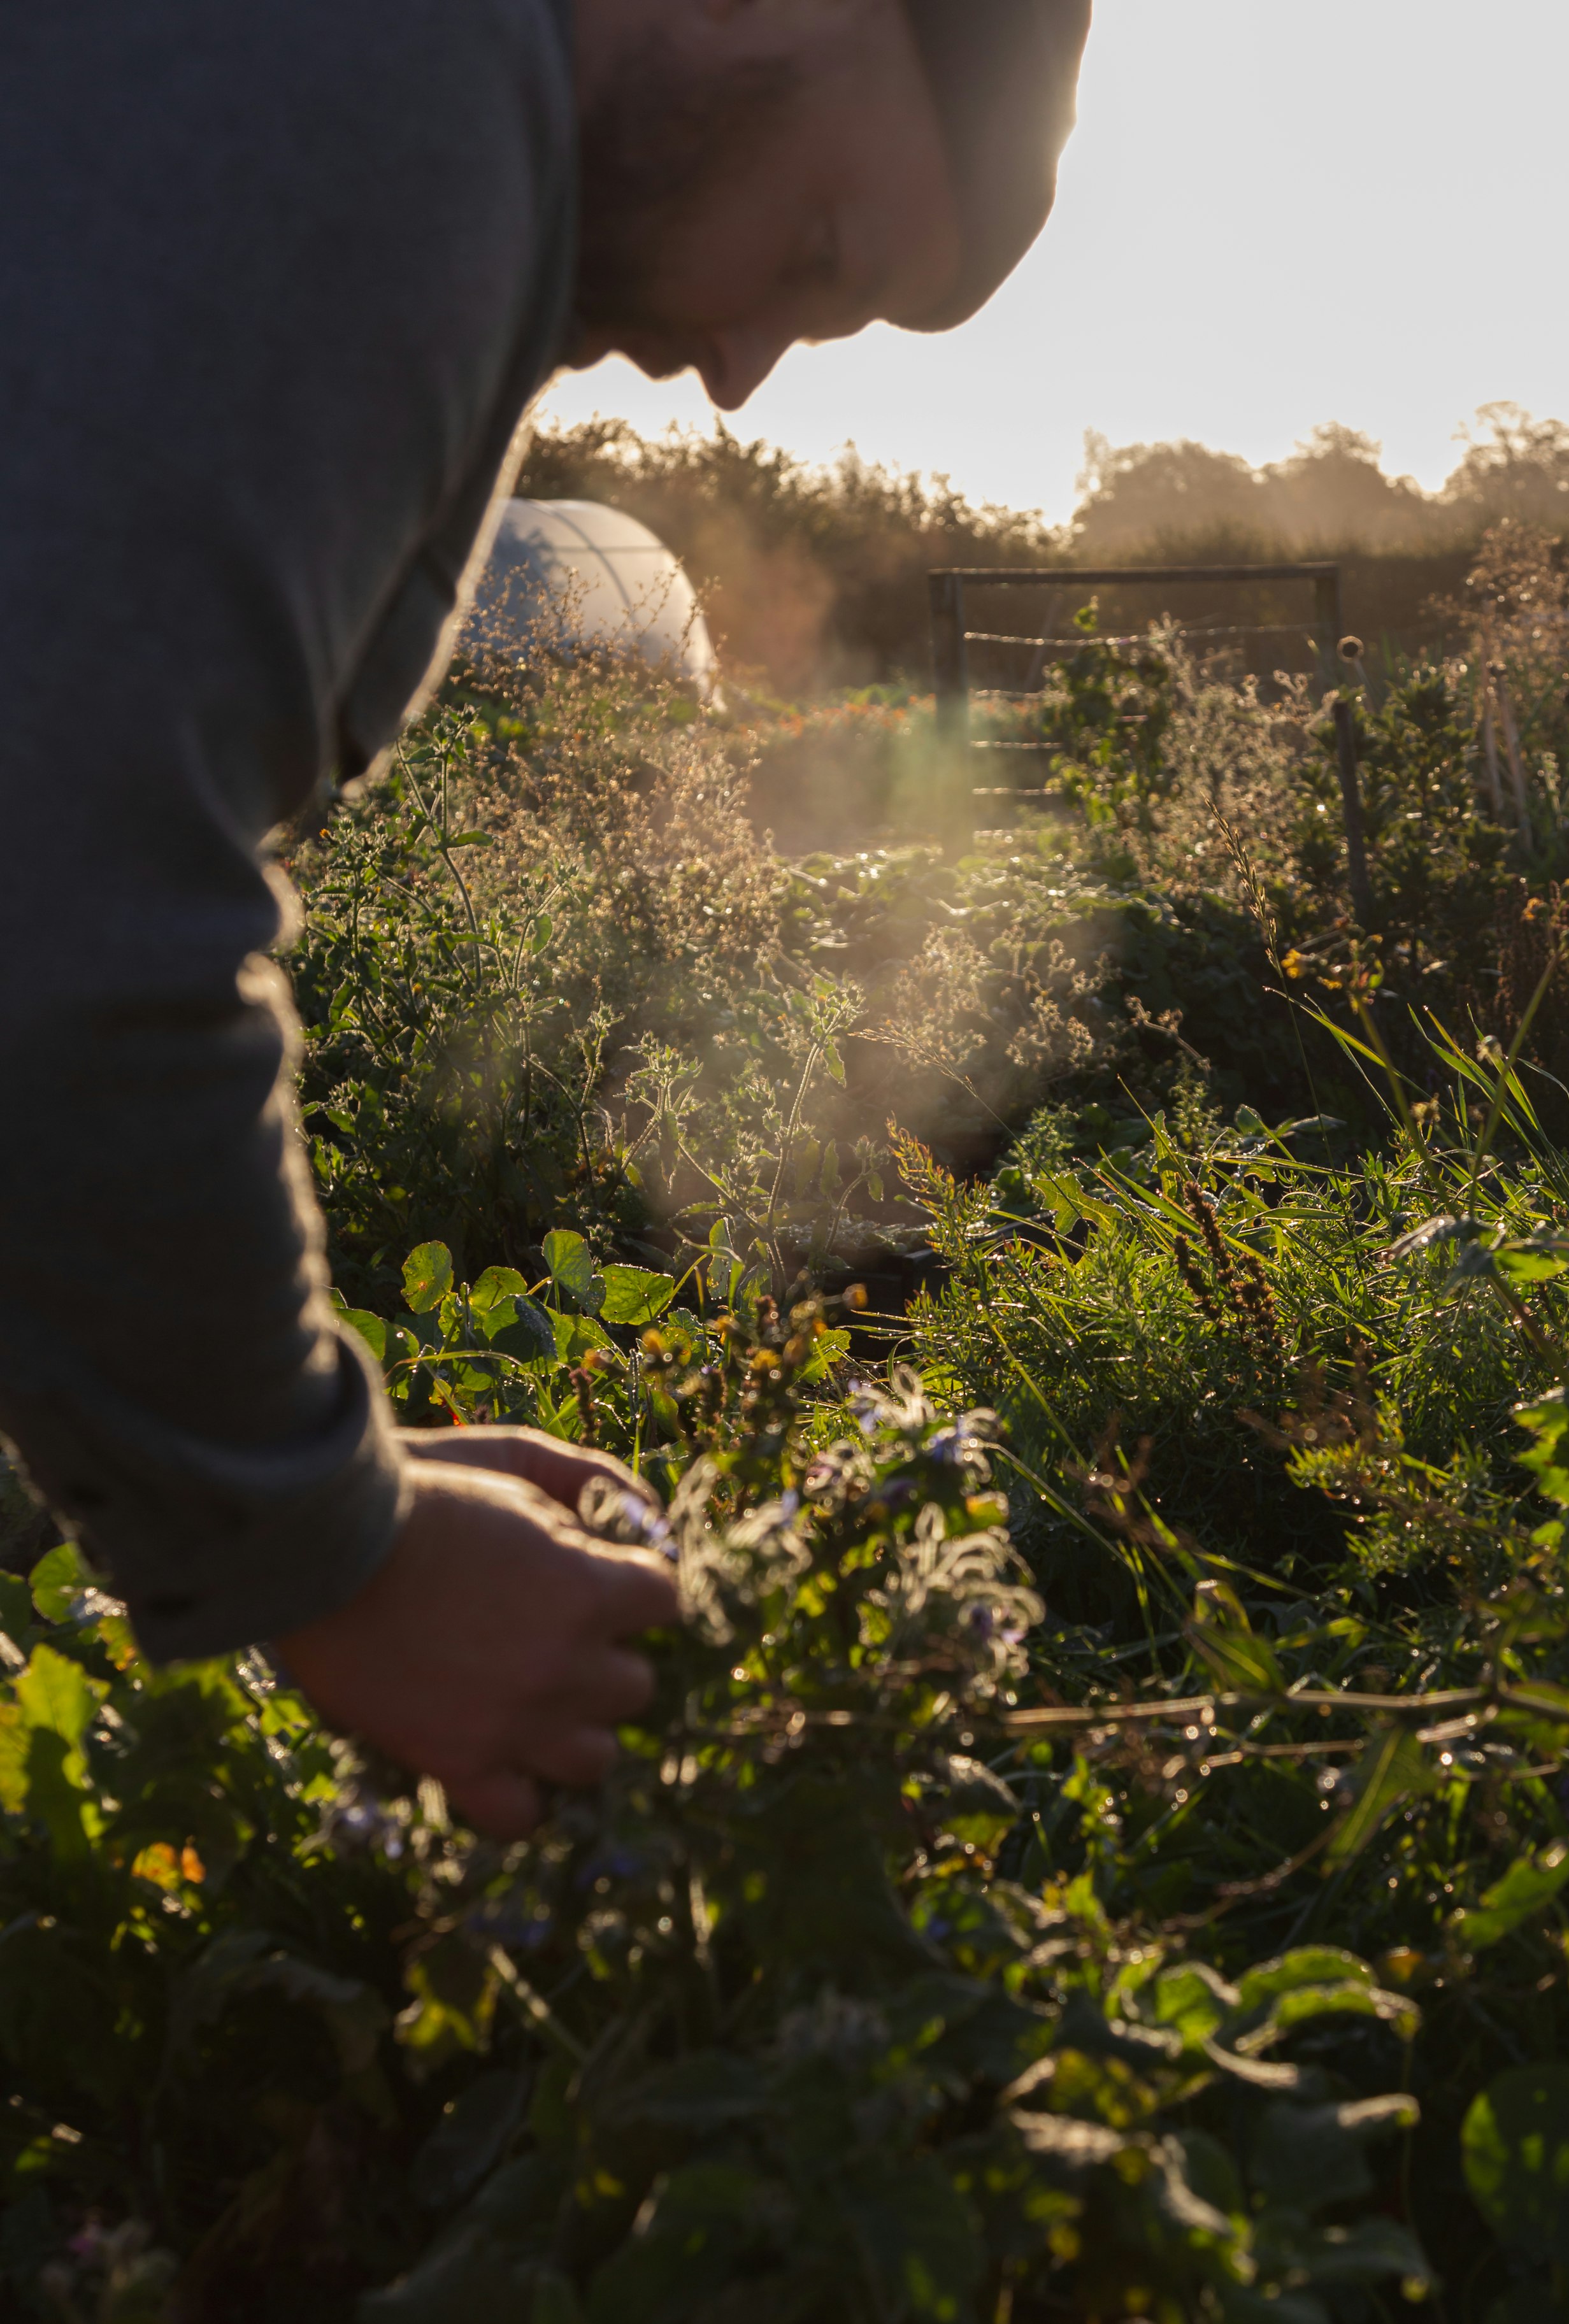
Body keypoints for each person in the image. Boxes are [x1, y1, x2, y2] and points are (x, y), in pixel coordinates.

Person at [0, 0, 1091, 1839]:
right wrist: (333, 1550)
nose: (740, 369)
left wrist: (326, 1474)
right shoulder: (412, 93)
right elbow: (70, 874)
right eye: (814, 256)